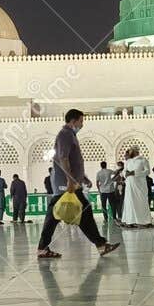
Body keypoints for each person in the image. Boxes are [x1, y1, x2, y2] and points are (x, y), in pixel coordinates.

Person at [37, 109, 119, 259]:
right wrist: (70, 180)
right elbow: (63, 158)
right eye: (81, 121)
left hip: (71, 183)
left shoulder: (70, 135)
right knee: (67, 213)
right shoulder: (65, 134)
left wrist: (83, 178)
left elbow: (74, 162)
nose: (82, 124)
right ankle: (100, 245)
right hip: (67, 184)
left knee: (68, 214)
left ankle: (100, 244)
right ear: (73, 121)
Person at [120, 146, 152, 227]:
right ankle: (130, 221)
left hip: (140, 186)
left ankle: (143, 221)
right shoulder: (128, 161)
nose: (130, 152)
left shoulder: (143, 160)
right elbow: (124, 171)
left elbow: (147, 171)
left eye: (131, 151)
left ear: (135, 151)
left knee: (140, 202)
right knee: (130, 202)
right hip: (129, 185)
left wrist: (135, 173)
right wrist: (126, 173)